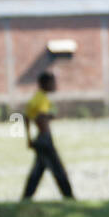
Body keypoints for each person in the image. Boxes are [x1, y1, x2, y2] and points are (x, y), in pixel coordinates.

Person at [21, 70, 74, 200]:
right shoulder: (42, 100)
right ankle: (69, 197)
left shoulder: (36, 98)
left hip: (39, 139)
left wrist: (28, 138)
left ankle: (26, 198)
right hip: (45, 139)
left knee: (37, 171)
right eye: (53, 82)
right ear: (45, 83)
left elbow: (26, 117)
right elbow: (40, 117)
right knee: (58, 169)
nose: (55, 85)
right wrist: (49, 116)